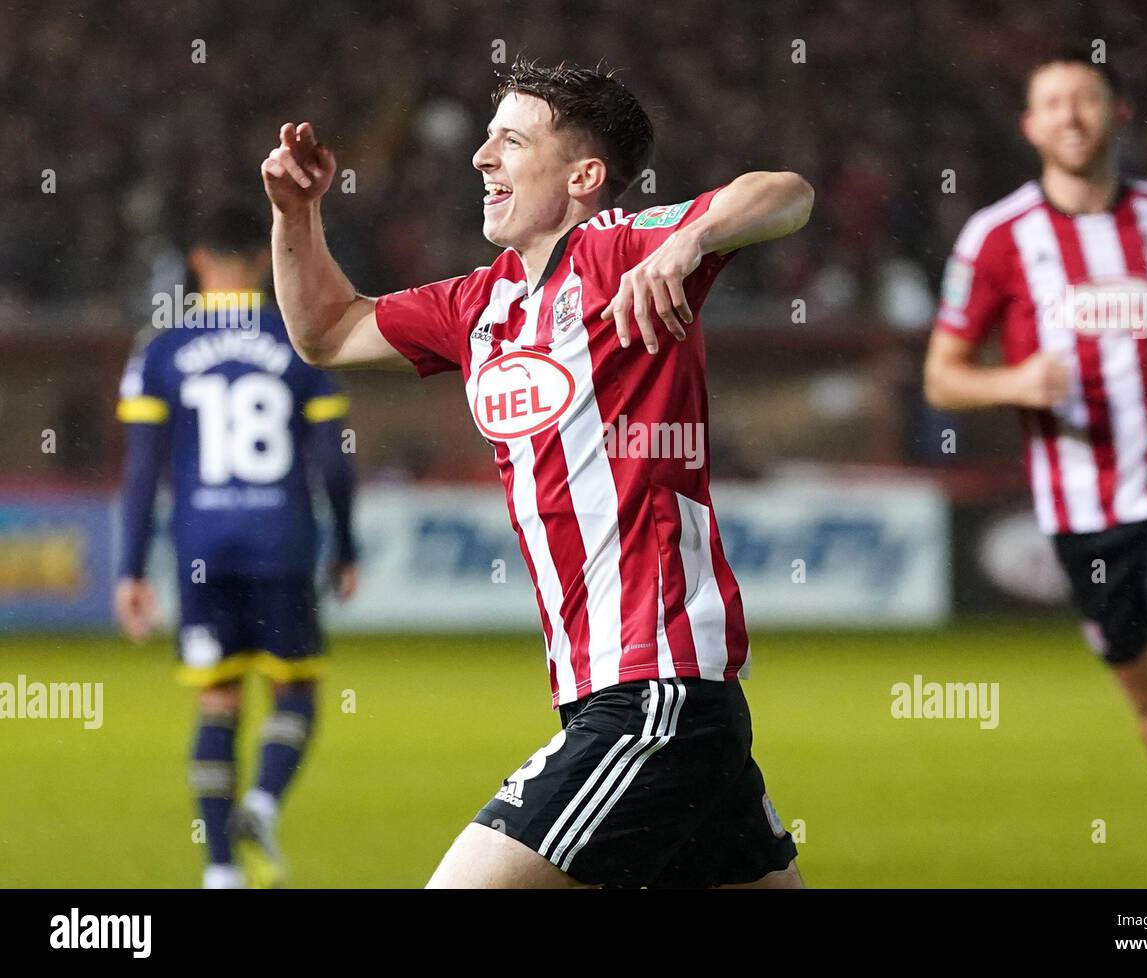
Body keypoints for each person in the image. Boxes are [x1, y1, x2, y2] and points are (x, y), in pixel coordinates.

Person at [261, 59, 814, 888]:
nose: (481, 158)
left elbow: (785, 192)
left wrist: (693, 240)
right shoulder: (477, 305)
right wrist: (297, 214)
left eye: (511, 141)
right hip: (613, 690)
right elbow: (327, 333)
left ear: (585, 176)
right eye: (486, 139)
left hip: (655, 687)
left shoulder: (627, 249)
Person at [924, 50, 1147, 888]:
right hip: (1079, 514)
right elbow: (941, 374)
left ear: (1117, 113)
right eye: (1052, 103)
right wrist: (1014, 380)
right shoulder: (998, 238)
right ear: (1030, 127)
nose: (1071, 116)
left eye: (1085, 99)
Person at [114, 202, 360, 888]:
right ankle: (260, 803)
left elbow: (141, 472)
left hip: (202, 550)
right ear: (261, 261)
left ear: (197, 263)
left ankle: (221, 870)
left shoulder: (159, 350)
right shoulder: (300, 340)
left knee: (217, 701)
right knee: (296, 691)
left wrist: (130, 569)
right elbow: (335, 459)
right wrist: (345, 543)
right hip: (282, 542)